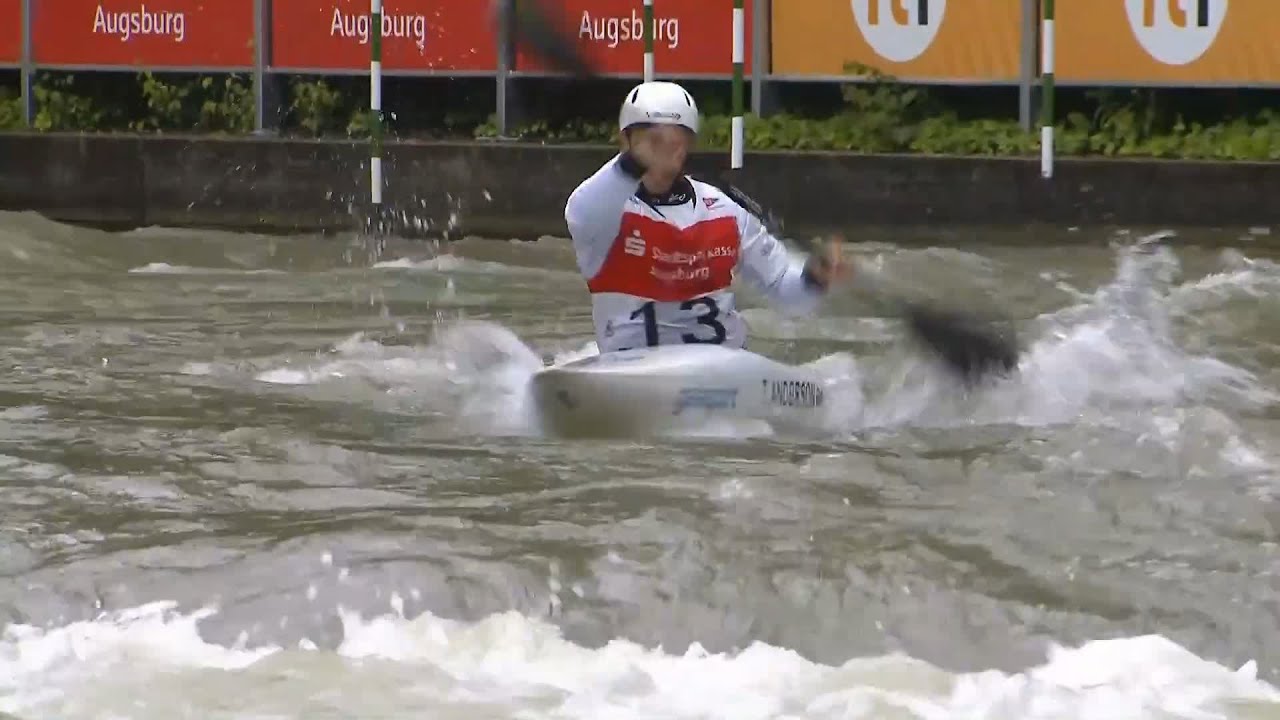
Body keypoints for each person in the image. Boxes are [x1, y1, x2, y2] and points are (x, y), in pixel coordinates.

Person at [564, 80, 850, 354]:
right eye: (650, 138)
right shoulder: (603, 214)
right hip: (632, 371)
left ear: (687, 146)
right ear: (624, 142)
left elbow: (787, 293)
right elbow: (579, 212)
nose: (663, 148)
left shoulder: (726, 210)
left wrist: (814, 278)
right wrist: (633, 163)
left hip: (721, 373)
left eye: (674, 138)